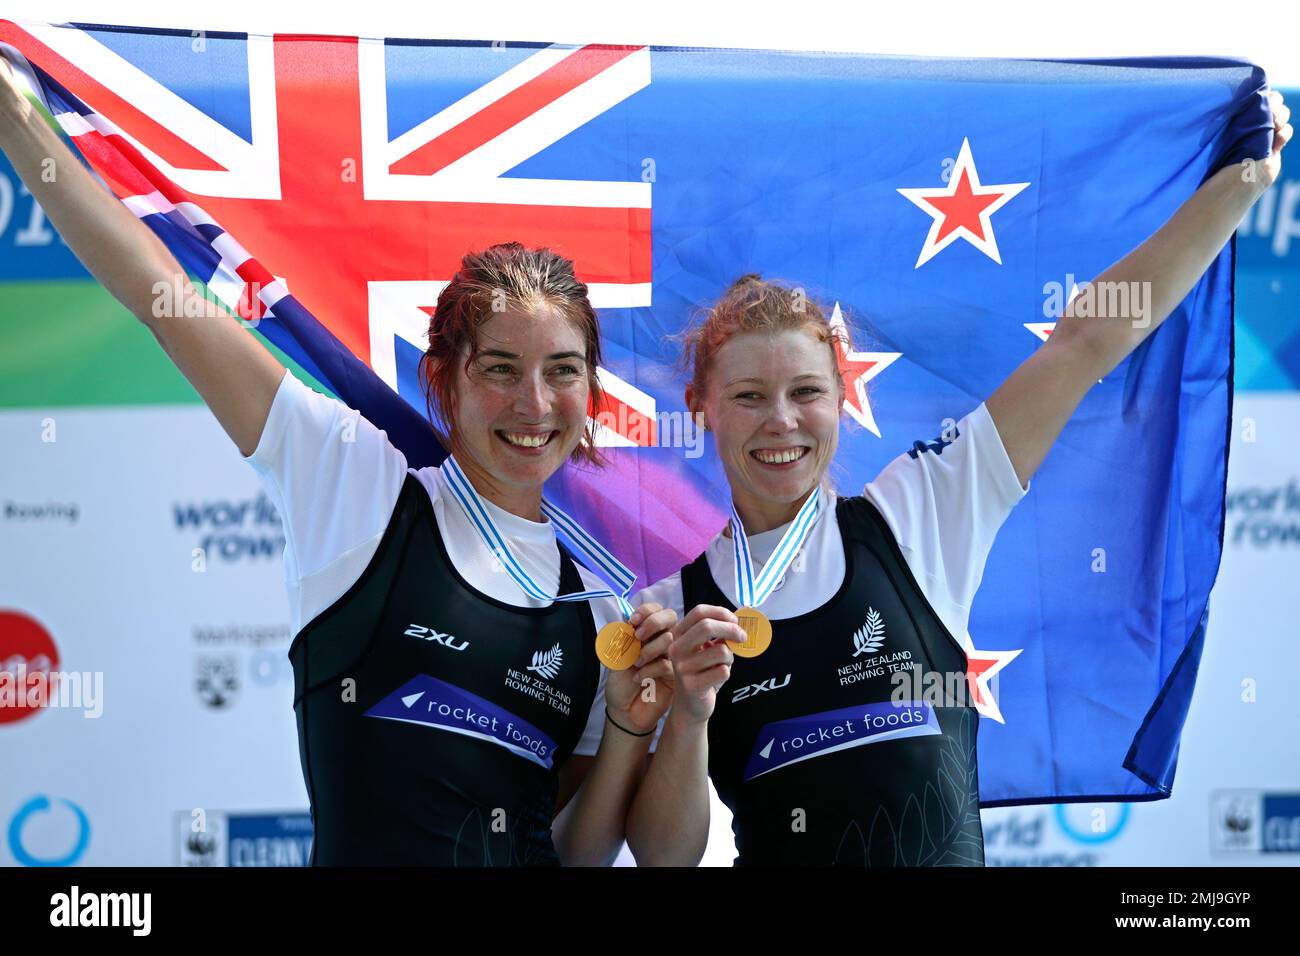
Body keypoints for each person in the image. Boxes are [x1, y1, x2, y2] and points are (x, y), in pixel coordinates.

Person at [0, 54, 676, 867]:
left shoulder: (604, 611)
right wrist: (16, 117)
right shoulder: (356, 486)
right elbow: (159, 294)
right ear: (445, 381)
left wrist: (640, 728)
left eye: (562, 371)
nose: (534, 403)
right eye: (500, 368)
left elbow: (573, 852)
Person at [622, 91, 1292, 866]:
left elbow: (1081, 343)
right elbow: (662, 858)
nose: (783, 422)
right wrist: (694, 715)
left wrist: (1239, 186)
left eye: (807, 392)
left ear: (842, 397)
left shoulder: (924, 514)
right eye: (748, 397)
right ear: (700, 406)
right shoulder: (672, 611)